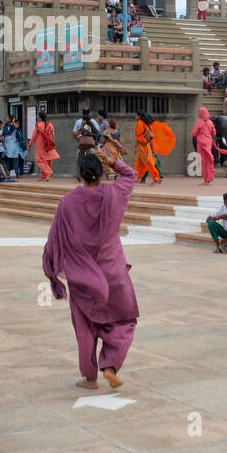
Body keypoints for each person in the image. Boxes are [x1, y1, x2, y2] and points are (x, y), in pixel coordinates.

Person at [42, 153, 138, 390]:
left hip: (82, 276)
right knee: (123, 320)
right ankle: (110, 365)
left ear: (79, 175)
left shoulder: (67, 204)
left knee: (85, 327)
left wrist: (50, 268)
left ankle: (90, 377)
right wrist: (113, 160)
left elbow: (54, 240)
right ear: (103, 173)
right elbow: (131, 175)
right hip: (113, 271)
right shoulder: (114, 195)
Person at [191, 107, 220, 185]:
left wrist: (199, 134)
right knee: (208, 161)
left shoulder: (199, 122)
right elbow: (214, 133)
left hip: (201, 143)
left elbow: (193, 133)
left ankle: (206, 180)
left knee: (204, 162)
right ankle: (209, 178)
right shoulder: (210, 122)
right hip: (208, 143)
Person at [29, 111, 59, 180]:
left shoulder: (38, 125)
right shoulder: (50, 125)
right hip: (48, 144)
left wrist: (29, 144)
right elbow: (53, 135)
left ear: (40, 118)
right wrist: (51, 142)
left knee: (39, 160)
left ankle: (48, 172)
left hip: (40, 144)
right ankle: (43, 176)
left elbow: (34, 136)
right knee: (47, 159)